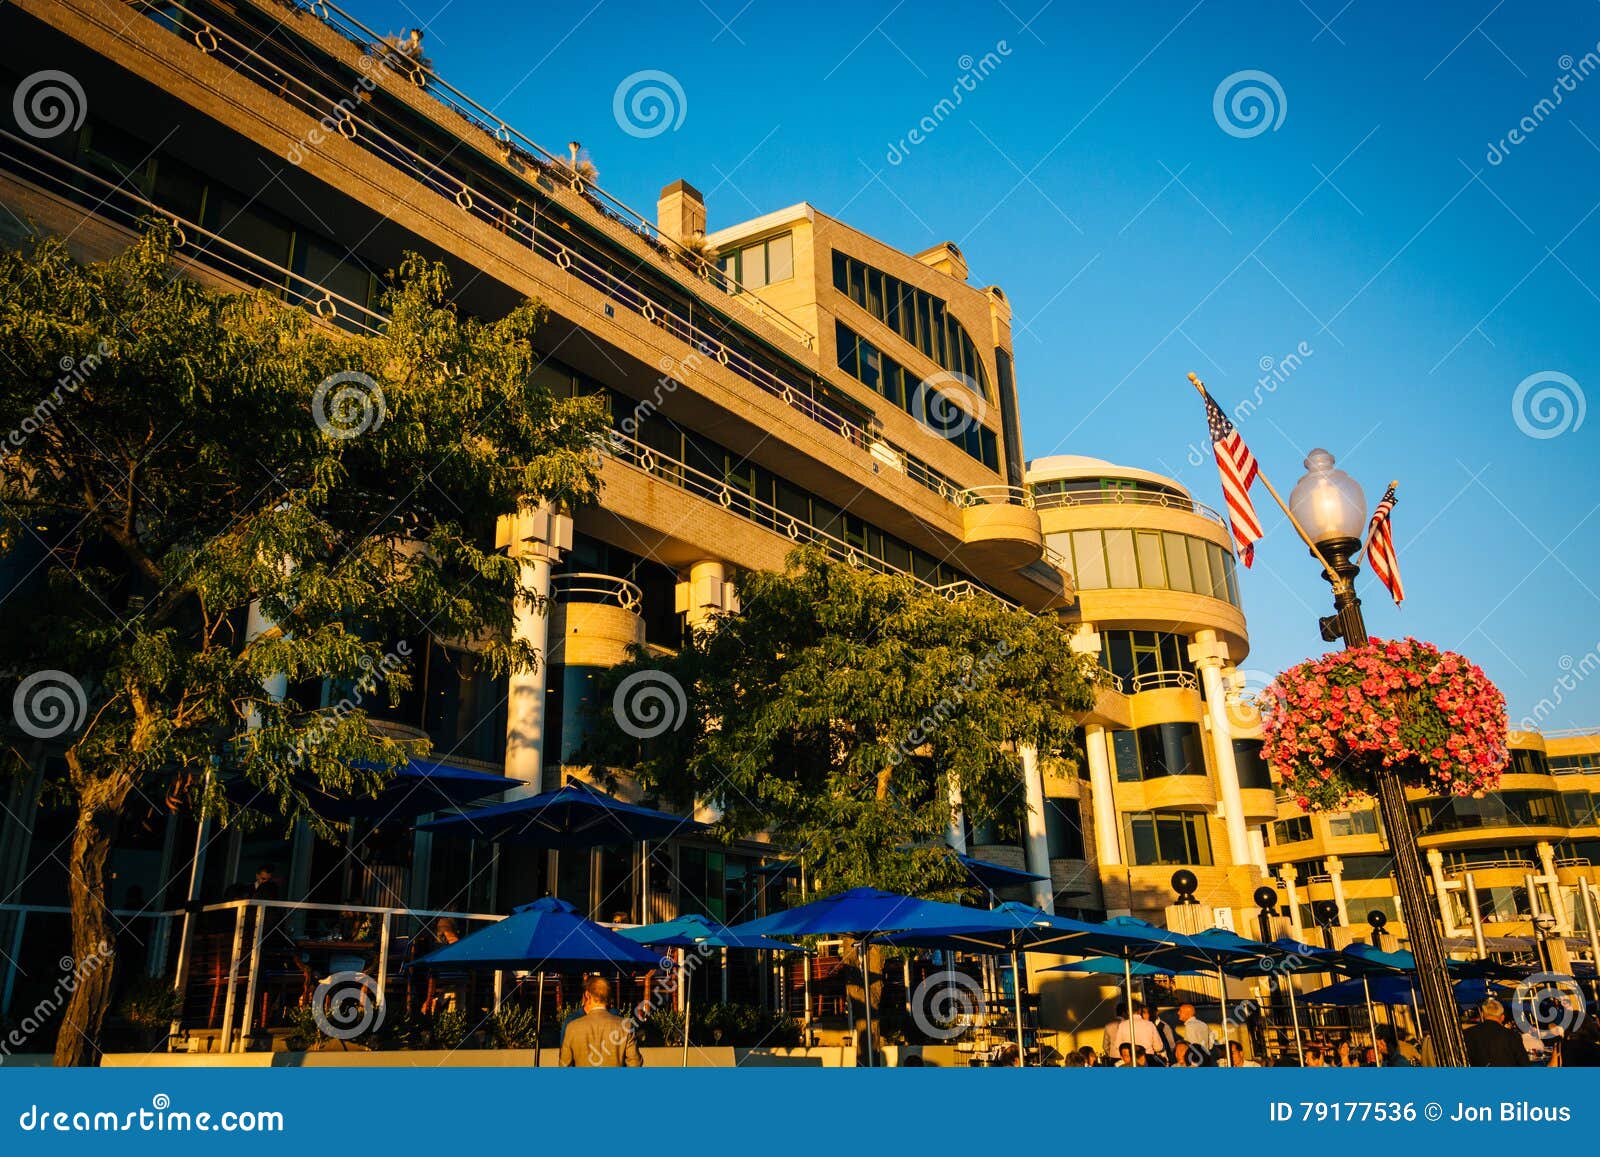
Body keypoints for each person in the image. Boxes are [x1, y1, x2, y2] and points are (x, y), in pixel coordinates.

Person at [559, 976, 643, 1067]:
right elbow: (635, 1063)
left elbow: (564, 1065)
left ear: (587, 995)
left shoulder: (572, 1027)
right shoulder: (625, 1026)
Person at [1463, 998, 1529, 1067]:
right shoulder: (1512, 1035)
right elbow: (1524, 1063)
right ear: (1502, 1017)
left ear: (1482, 1015)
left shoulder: (1468, 1034)